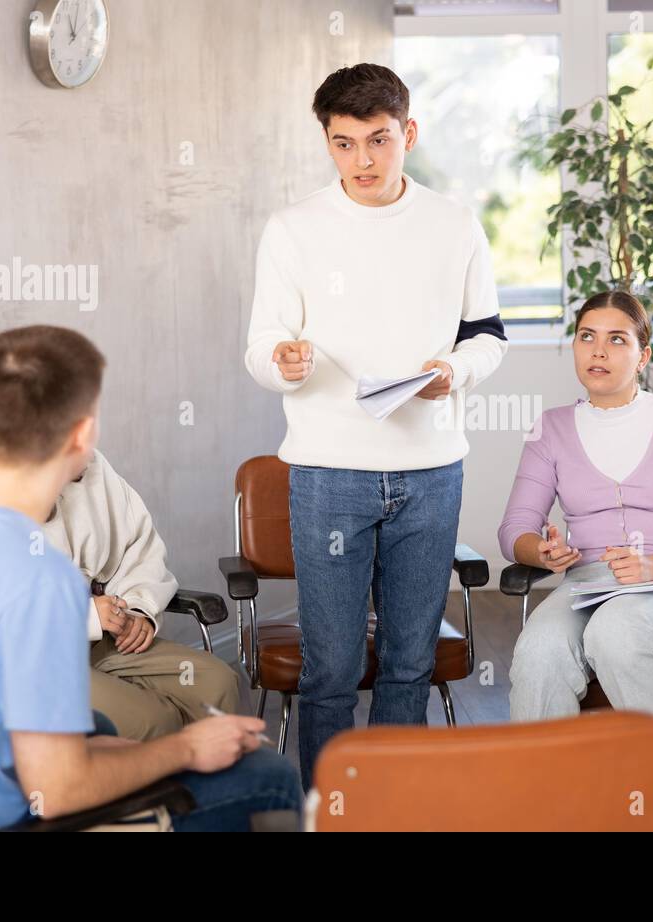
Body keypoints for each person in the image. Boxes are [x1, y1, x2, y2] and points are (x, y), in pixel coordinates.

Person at [0, 326, 299, 830]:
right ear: (82, 435)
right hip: (3, 819)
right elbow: (55, 790)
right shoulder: (35, 575)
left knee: (116, 727)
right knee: (268, 775)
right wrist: (187, 748)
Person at [244, 63, 507, 789]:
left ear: (408, 135)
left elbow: (487, 334)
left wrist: (455, 371)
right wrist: (283, 361)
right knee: (329, 665)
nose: (362, 160)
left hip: (430, 473)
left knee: (409, 660)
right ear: (327, 143)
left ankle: (388, 806)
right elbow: (260, 347)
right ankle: (332, 807)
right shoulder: (292, 230)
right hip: (329, 475)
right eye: (344, 143)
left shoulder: (454, 225)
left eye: (379, 140)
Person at [0, 341, 241, 741]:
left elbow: (138, 545)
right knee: (151, 721)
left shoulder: (87, 462)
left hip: (101, 642)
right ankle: (155, 800)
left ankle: (222, 798)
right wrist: (88, 616)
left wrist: (140, 610)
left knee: (217, 683)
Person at [498, 291, 653, 760]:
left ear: (643, 356)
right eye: (587, 337)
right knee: (539, 649)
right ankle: (541, 794)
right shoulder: (550, 428)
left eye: (617, 340)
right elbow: (514, 530)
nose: (598, 351)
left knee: (618, 630)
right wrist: (539, 551)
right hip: (586, 587)